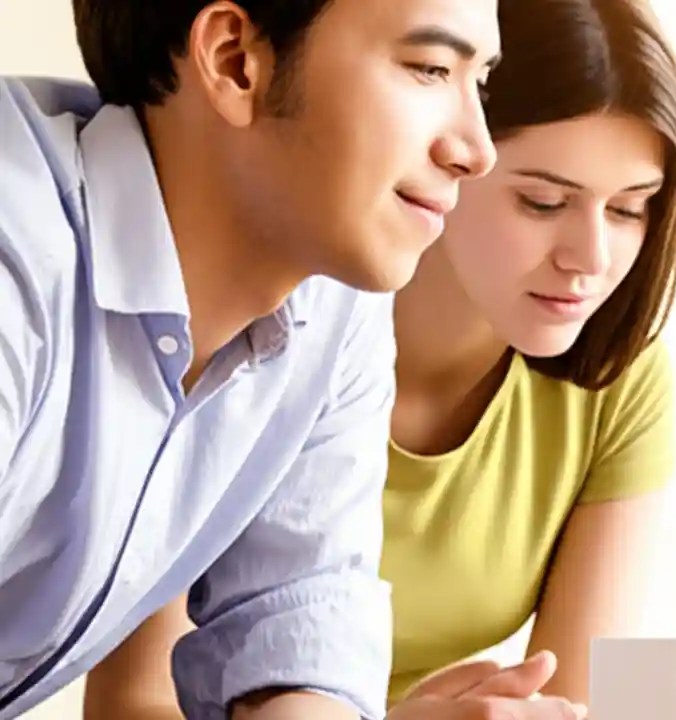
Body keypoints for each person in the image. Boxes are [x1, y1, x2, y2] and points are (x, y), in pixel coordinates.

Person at [82, 0, 676, 717]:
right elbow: (131, 701)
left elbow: (578, 705)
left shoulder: (617, 384)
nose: (590, 259)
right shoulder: (268, 330)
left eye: (629, 210)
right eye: (542, 202)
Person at [0, 0, 500, 717]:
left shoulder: (331, 304)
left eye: (480, 81)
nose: (477, 148)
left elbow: (299, 631)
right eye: (429, 69)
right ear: (236, 62)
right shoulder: (15, 259)